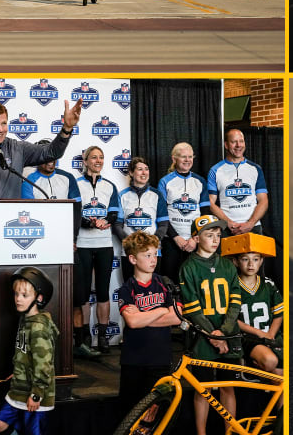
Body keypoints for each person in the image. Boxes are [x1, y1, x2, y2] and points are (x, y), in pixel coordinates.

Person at [179, 215, 243, 434]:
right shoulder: (188, 267)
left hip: (228, 334)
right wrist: (213, 335)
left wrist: (223, 332)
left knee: (228, 388)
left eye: (218, 235)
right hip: (202, 337)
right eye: (209, 235)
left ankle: (230, 431)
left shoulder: (227, 264)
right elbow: (192, 307)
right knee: (202, 389)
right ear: (196, 238)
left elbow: (236, 299)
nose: (215, 240)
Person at [116, 230, 182, 419]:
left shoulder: (165, 283)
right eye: (147, 255)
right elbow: (133, 322)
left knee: (153, 414)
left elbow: (177, 317)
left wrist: (145, 316)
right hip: (133, 360)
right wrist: (162, 310)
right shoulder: (126, 289)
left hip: (160, 359)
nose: (153, 260)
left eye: (155, 254)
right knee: (130, 414)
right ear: (132, 259)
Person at [0, 267, 58, 435]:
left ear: (39, 298)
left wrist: (36, 395)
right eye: (16, 294)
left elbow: (44, 365)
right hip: (19, 388)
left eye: (24, 295)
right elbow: (26, 354)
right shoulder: (25, 319)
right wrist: (19, 372)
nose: (18, 299)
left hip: (36, 393)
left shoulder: (39, 328)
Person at [74, 144, 121, 357]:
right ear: (85, 161)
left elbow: (113, 214)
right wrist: (90, 223)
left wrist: (103, 222)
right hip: (82, 245)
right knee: (82, 295)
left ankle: (103, 338)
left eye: (101, 157)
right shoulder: (75, 185)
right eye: (94, 157)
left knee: (103, 292)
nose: (98, 161)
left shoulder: (110, 186)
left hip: (104, 245)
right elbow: (74, 215)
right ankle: (83, 338)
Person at [158, 142, 211, 284]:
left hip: (195, 242)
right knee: (171, 283)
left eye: (190, 156)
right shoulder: (165, 181)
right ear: (174, 159)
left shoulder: (200, 181)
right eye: (183, 157)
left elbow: (205, 214)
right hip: (172, 241)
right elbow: (162, 215)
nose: (187, 160)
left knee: (195, 283)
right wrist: (176, 238)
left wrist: (195, 238)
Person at [208, 127, 270, 236]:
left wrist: (250, 223)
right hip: (228, 229)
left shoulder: (255, 169)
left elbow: (263, 201)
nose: (238, 145)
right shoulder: (215, 170)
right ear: (226, 145)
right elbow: (210, 203)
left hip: (253, 227)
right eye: (234, 142)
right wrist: (228, 222)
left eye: (241, 141)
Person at [233, 249, 283, 376]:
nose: (251, 264)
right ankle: (252, 365)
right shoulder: (232, 287)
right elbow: (232, 319)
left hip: (271, 336)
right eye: (245, 259)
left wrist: (270, 334)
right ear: (236, 261)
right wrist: (258, 333)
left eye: (255, 259)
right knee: (270, 361)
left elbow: (278, 313)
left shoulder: (268, 284)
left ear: (261, 261)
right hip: (248, 338)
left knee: (281, 377)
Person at [115, 157, 168, 242]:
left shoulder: (157, 195)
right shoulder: (122, 195)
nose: (144, 173)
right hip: (129, 250)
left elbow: (163, 224)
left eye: (146, 169)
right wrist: (129, 242)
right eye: (140, 169)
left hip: (151, 251)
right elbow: (118, 224)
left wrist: (154, 240)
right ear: (131, 173)